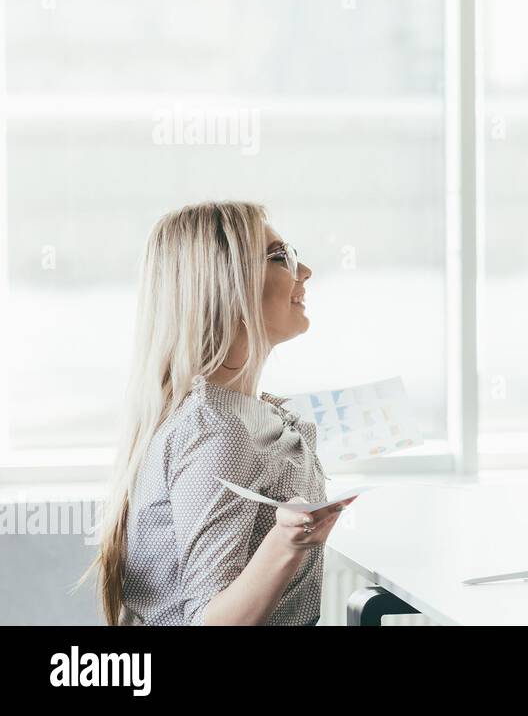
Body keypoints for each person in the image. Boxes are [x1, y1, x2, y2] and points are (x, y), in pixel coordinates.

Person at [89, 202, 352, 625]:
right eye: (280, 257)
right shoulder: (216, 430)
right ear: (226, 286)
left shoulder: (240, 415)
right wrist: (287, 542)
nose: (304, 272)